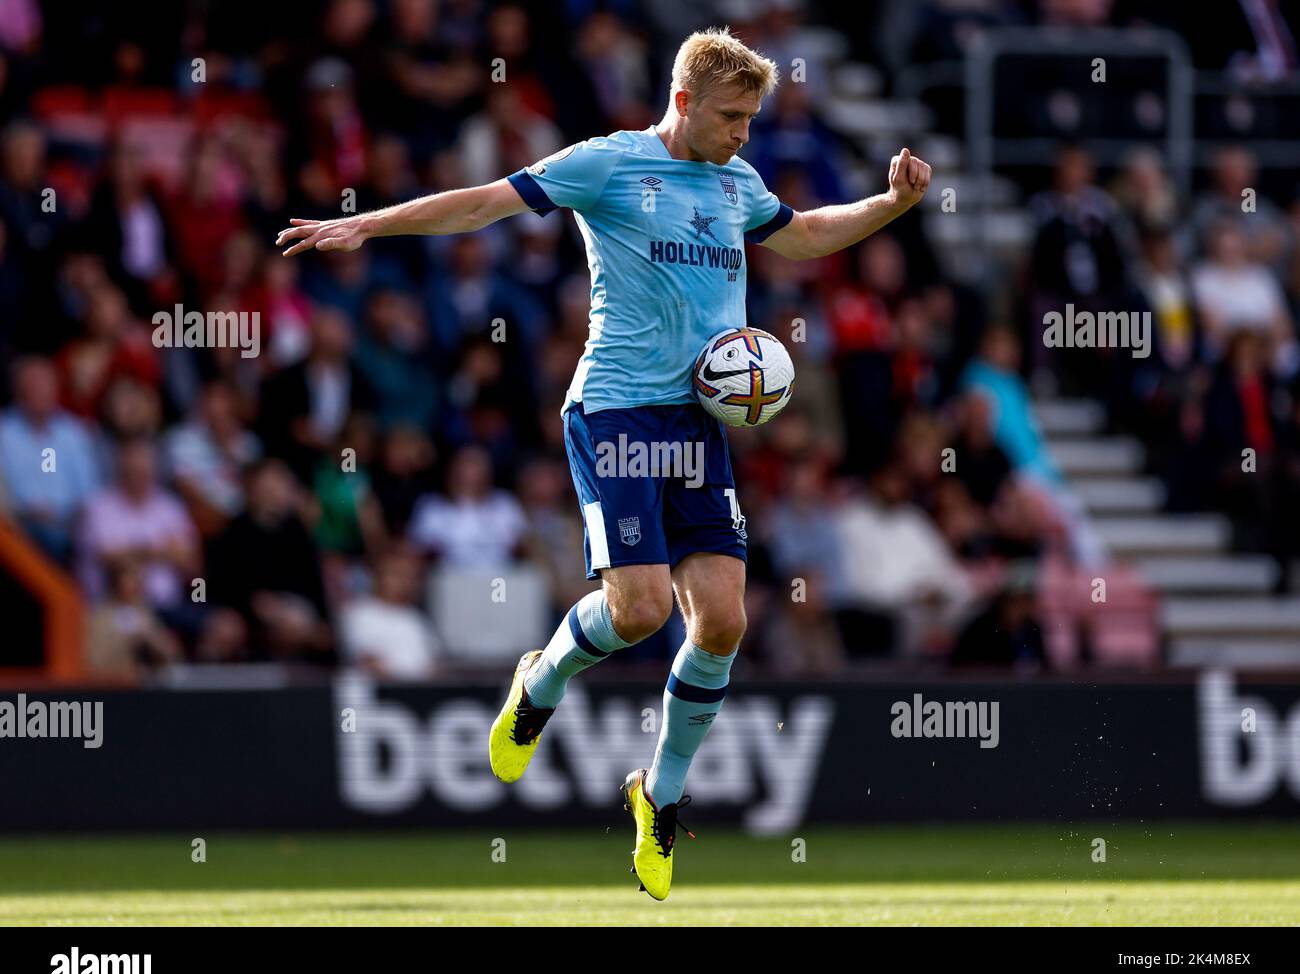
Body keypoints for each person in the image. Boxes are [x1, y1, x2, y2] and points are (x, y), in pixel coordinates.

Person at [277, 26, 931, 901]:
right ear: (685, 100)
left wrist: (887, 203)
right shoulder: (610, 164)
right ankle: (538, 684)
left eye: (753, 120)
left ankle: (657, 798)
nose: (744, 135)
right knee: (640, 607)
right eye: (733, 117)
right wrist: (369, 223)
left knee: (725, 621)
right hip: (617, 409)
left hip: (696, 422)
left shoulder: (737, 182)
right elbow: (483, 202)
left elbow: (806, 233)